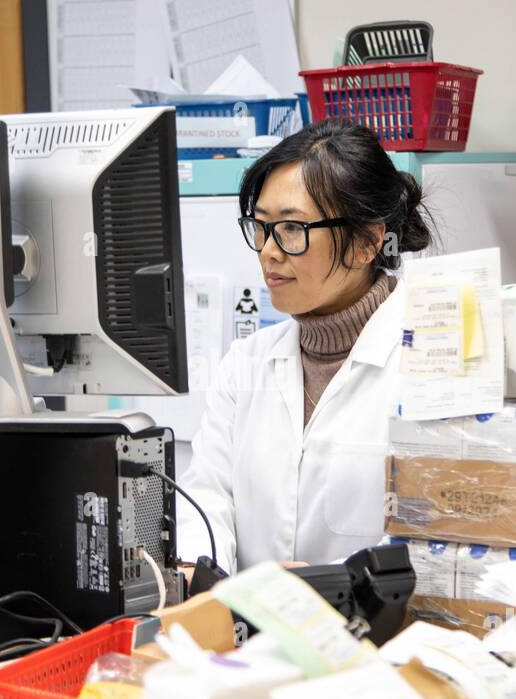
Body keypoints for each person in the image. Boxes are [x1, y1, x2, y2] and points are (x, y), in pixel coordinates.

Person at [177, 118, 434, 575]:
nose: (268, 252)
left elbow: (439, 534)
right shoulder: (246, 365)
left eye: (292, 229)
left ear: (366, 243)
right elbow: (208, 498)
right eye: (261, 227)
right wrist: (200, 573)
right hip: (252, 633)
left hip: (381, 636)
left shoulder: (427, 360)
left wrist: (328, 587)